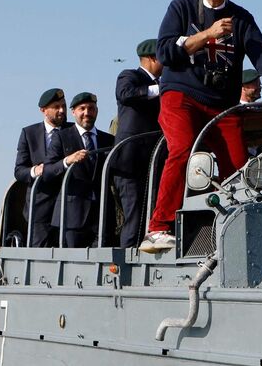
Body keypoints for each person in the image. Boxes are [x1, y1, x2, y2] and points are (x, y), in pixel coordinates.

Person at [140, 0, 262, 253]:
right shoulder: (181, 8)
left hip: (221, 104)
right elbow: (164, 53)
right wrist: (208, 34)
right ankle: (158, 228)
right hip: (181, 95)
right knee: (183, 147)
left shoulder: (241, 19)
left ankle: (240, 231)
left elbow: (261, 55)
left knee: (238, 164)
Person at [112, 40, 163, 247]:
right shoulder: (129, 76)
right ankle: (128, 264)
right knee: (134, 216)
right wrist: (159, 88)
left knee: (150, 214)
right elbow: (125, 94)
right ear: (152, 59)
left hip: (152, 160)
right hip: (130, 161)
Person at [47, 92, 115, 248]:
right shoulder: (62, 137)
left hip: (102, 216)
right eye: (82, 109)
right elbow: (48, 171)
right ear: (73, 112)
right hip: (71, 217)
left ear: (96, 111)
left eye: (91, 108)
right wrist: (67, 161)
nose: (87, 113)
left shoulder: (108, 140)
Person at [13, 88, 69, 247]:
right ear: (43, 110)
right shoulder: (29, 133)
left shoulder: (73, 131)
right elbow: (19, 170)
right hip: (40, 207)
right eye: (56, 107)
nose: (62, 110)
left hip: (69, 205)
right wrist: (34, 171)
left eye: (64, 106)